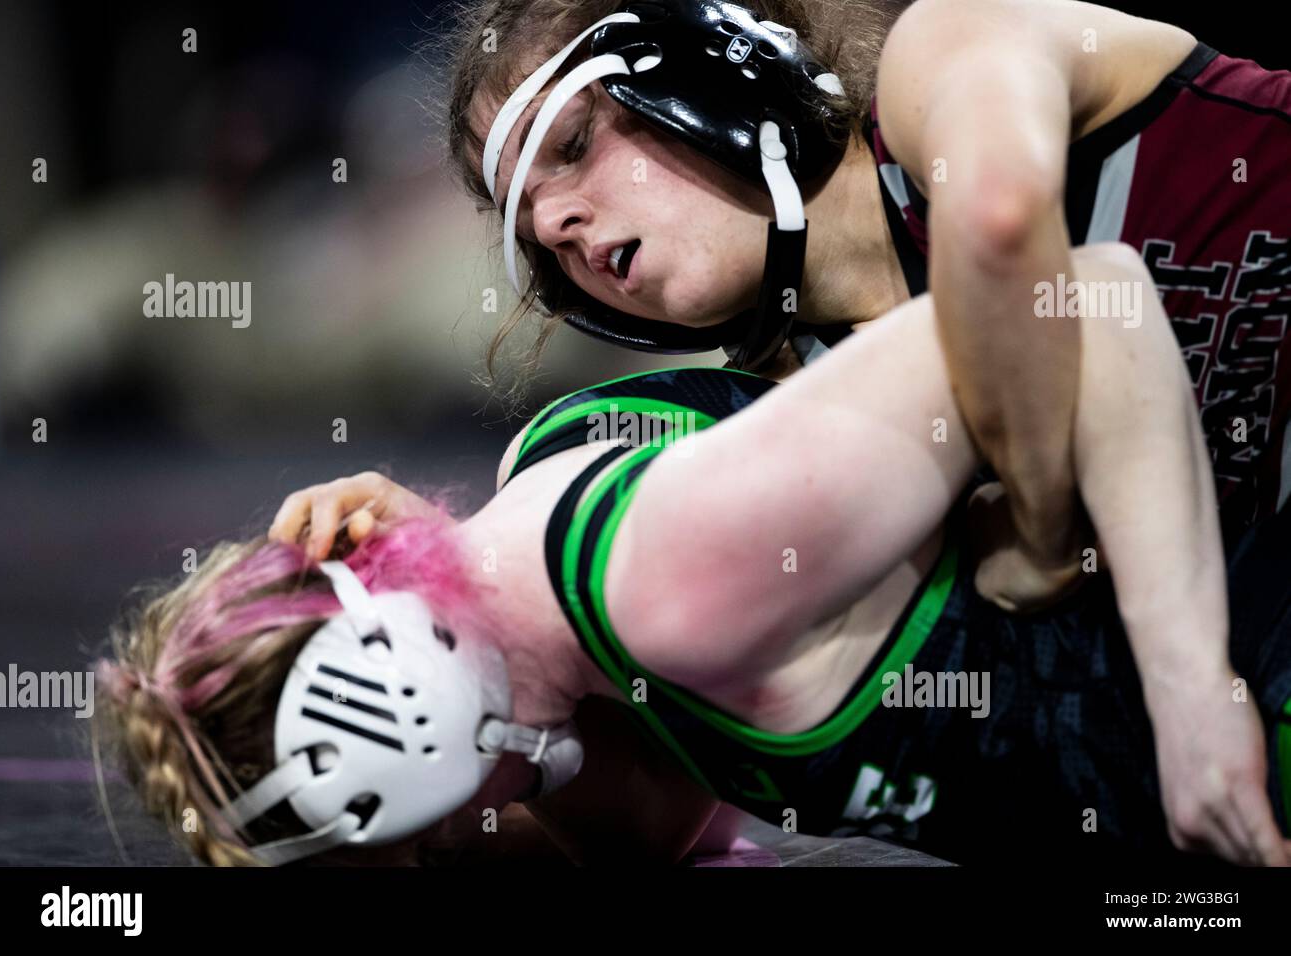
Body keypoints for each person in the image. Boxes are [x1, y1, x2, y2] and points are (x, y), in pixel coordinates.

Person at [94, 245, 1291, 866]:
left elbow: (1085, 300)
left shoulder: (668, 581)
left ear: (418, 717)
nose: (466, 846)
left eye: (431, 841)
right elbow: (650, 840)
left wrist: (1194, 702)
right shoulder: (564, 551)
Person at [446, 0, 1291, 591]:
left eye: (574, 142)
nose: (554, 222)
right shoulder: (807, 414)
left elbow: (999, 222)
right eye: (528, 227)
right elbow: (665, 765)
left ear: (711, 71)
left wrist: (1041, 533)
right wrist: (432, 577)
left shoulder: (943, 53)